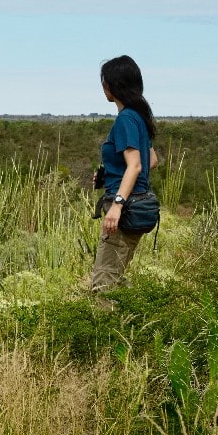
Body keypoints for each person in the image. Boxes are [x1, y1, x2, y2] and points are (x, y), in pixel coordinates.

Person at [90, 54, 159, 293]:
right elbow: (152, 160)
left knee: (103, 285)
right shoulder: (139, 117)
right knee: (116, 280)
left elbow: (136, 165)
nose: (103, 86)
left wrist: (117, 204)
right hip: (139, 205)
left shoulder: (126, 119)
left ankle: (106, 319)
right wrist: (112, 175)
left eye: (105, 81)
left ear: (113, 85)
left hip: (125, 209)